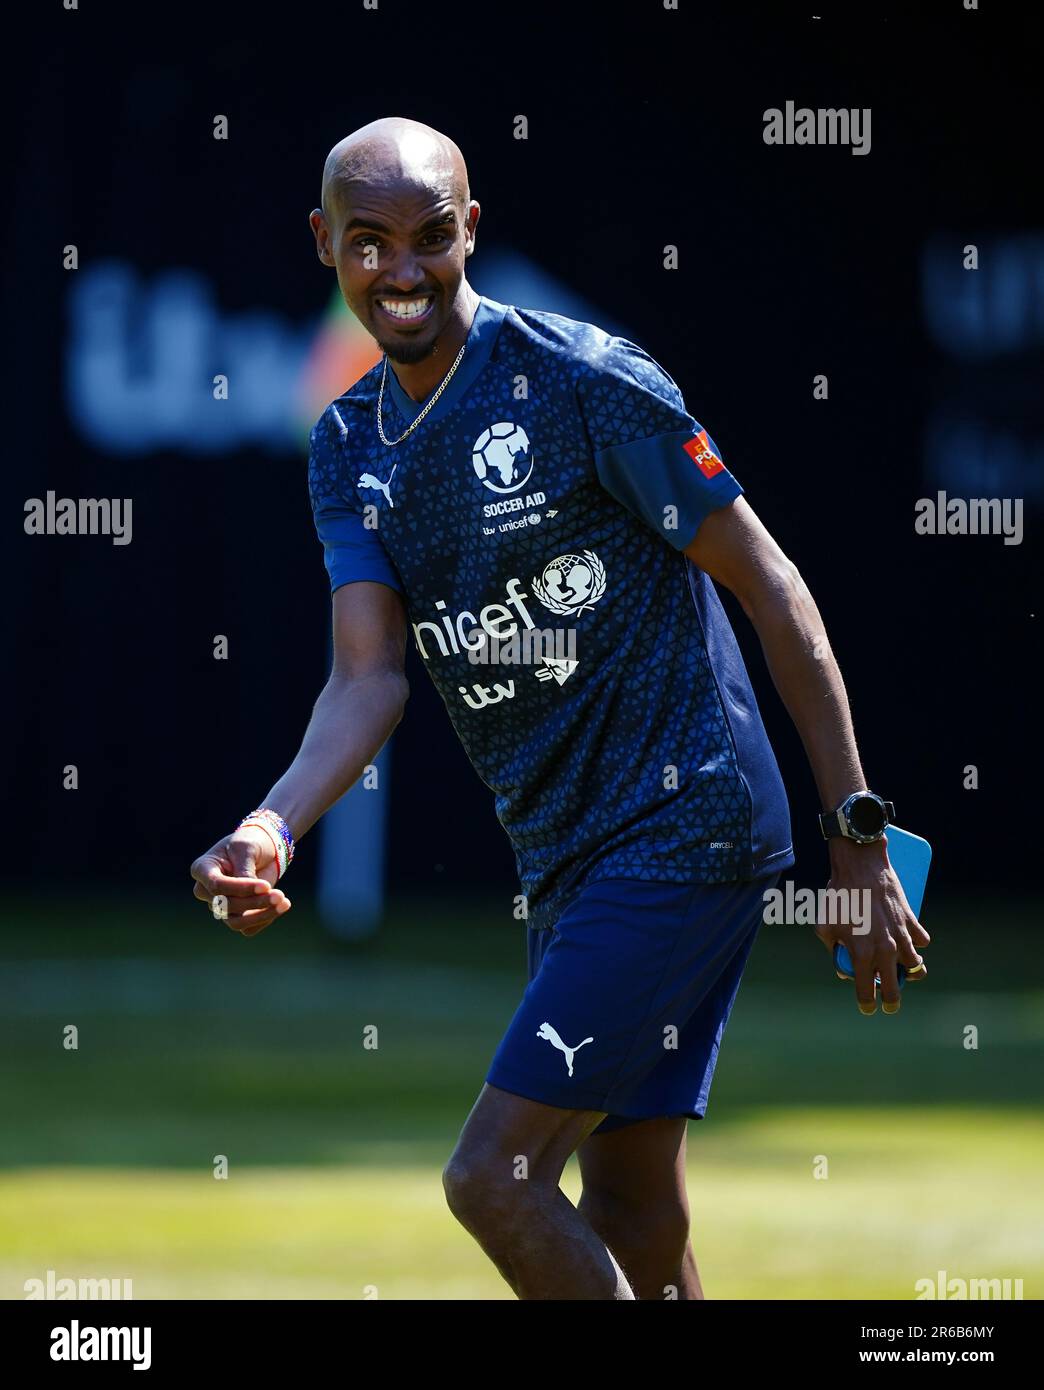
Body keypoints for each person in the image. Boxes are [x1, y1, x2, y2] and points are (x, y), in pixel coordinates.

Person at [189, 116, 930, 1300]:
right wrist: (271, 824)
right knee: (633, 1198)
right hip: (567, 851)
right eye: (369, 244)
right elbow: (371, 674)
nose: (404, 271)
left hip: (688, 821)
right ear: (324, 243)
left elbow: (774, 588)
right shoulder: (345, 444)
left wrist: (859, 833)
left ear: (470, 229)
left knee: (494, 1176)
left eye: (432, 237)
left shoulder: (586, 380)